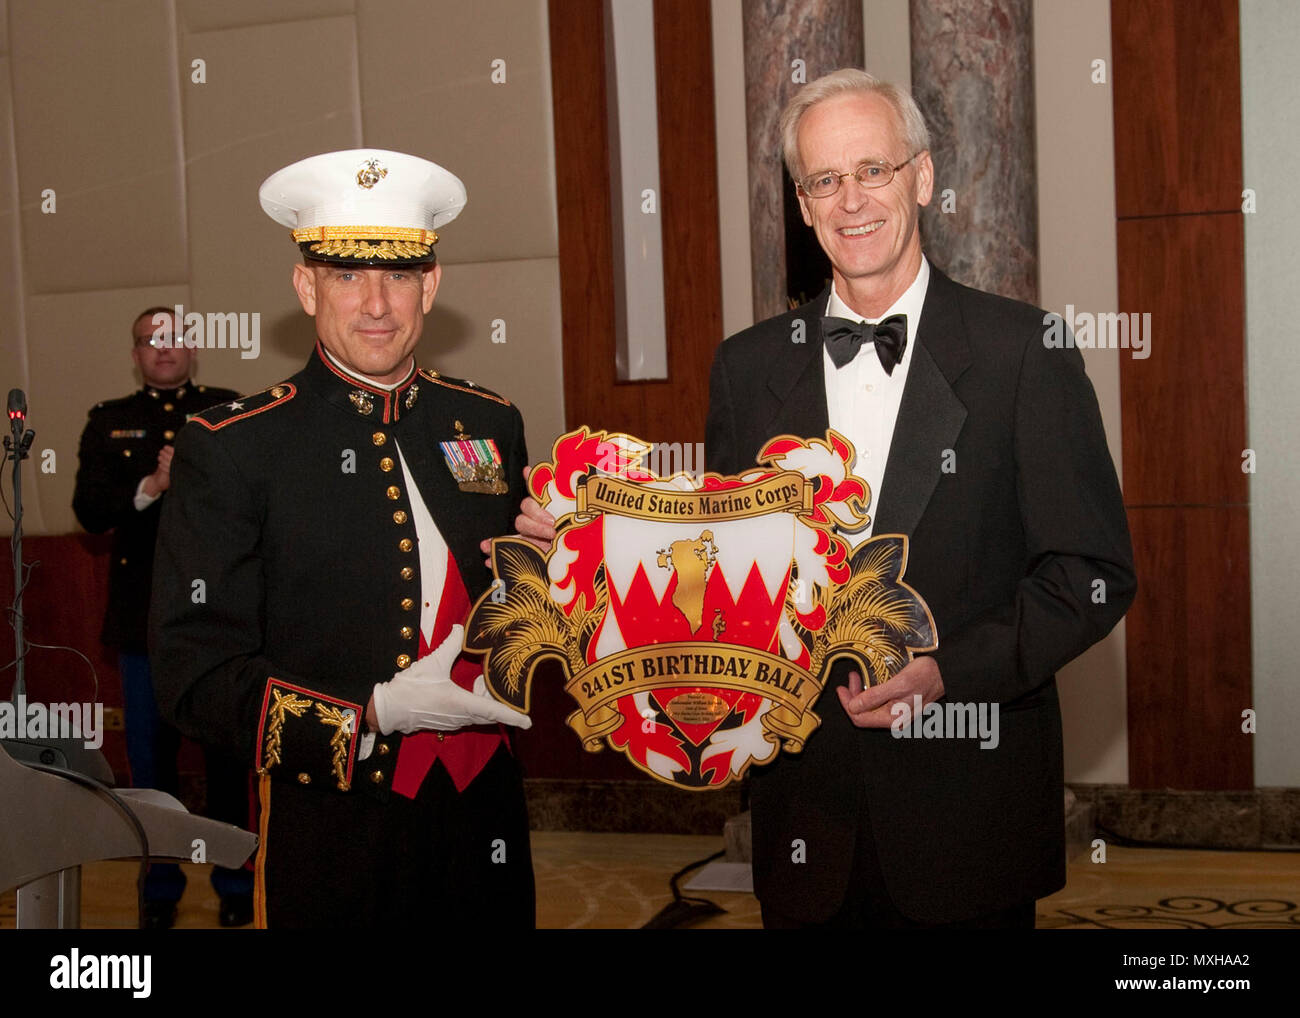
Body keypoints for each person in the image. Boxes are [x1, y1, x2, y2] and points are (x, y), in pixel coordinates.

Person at [516, 69, 1136, 929]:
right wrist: (590, 542)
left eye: (872, 170)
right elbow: (720, 573)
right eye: (824, 180)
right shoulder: (748, 366)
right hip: (805, 822)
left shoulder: (1025, 352)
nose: (852, 201)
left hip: (968, 815)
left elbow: (1091, 575)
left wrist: (948, 673)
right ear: (802, 207)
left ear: (921, 177)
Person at [150, 149, 535, 929]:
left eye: (398, 276)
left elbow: (522, 609)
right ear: (305, 287)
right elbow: (194, 676)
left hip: (484, 826)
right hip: (334, 831)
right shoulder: (236, 446)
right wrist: (375, 713)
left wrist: (562, 567)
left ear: (432, 285)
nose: (377, 305)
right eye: (348, 276)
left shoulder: (490, 422)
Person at [72, 308, 251, 929]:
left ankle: (236, 887)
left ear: (193, 348)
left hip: (219, 623)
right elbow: (90, 512)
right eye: (152, 341)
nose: (165, 350)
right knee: (152, 769)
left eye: (175, 339)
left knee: (229, 767)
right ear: (136, 354)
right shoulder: (109, 421)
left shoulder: (230, 411)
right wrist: (152, 483)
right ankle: (160, 891)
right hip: (143, 624)